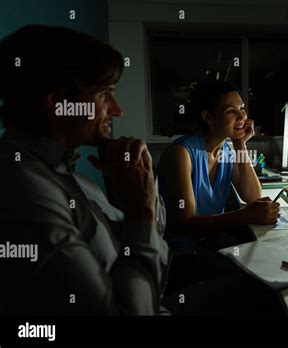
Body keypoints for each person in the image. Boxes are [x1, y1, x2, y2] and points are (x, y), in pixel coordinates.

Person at [0, 25, 170, 315]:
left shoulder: (70, 174)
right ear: (58, 104)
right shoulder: (24, 189)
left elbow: (154, 233)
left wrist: (136, 191)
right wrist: (141, 212)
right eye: (105, 95)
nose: (117, 110)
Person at [158, 79, 280, 251]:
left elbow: (252, 195)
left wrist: (240, 144)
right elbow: (185, 224)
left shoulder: (227, 151)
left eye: (242, 109)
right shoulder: (181, 153)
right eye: (231, 111)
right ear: (208, 117)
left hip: (209, 240)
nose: (242, 117)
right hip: (182, 251)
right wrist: (244, 215)